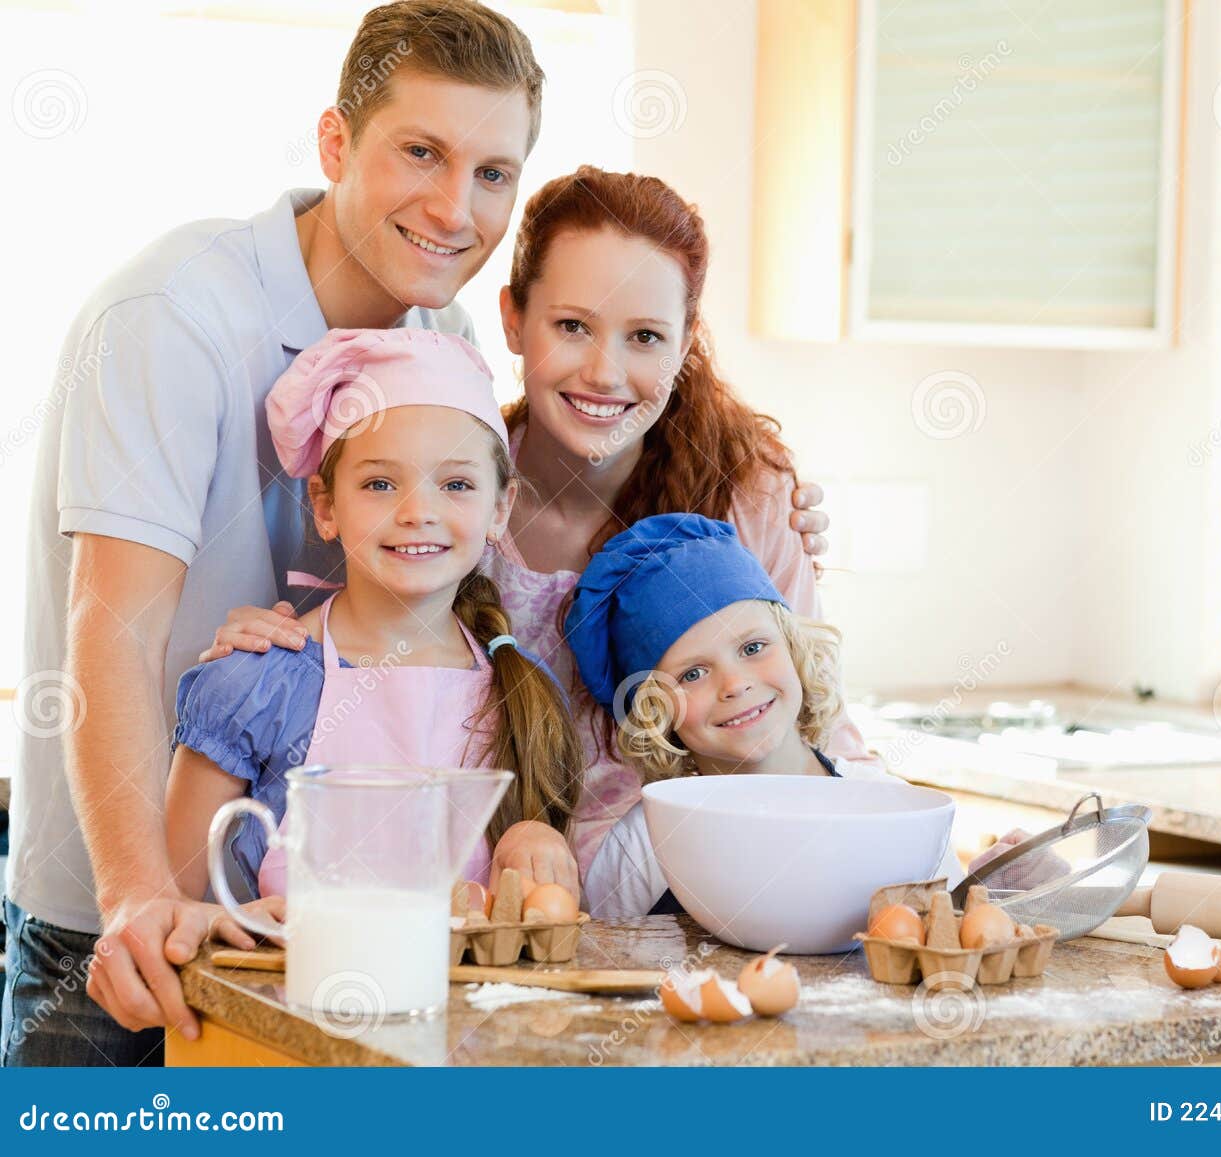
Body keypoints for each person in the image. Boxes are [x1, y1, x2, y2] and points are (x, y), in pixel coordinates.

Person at [5, 2, 827, 1063]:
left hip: (324, 942)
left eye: (492, 172)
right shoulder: (175, 316)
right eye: (421, 153)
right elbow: (109, 627)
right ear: (336, 143)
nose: (455, 206)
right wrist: (134, 897)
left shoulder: (435, 328)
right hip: (126, 919)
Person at [203, 167, 853, 893]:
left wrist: (906, 860)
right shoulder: (450, 486)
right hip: (481, 903)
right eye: (572, 326)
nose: (605, 372)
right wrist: (266, 642)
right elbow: (355, 632)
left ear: (686, 341)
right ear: (513, 319)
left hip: (696, 890)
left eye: (645, 336)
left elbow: (816, 726)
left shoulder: (747, 495)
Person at [164, 328, 580, 908]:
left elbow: (541, 917)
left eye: (457, 483)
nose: (418, 513)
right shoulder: (256, 682)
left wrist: (537, 842)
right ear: (326, 506)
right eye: (380, 483)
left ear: (499, 508)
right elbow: (169, 905)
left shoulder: (522, 691)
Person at [565, 515, 961, 918]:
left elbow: (951, 936)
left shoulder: (894, 811)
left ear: (794, 647)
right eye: (693, 674)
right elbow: (608, 966)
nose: (735, 684)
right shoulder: (643, 845)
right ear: (656, 712)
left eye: (753, 648)